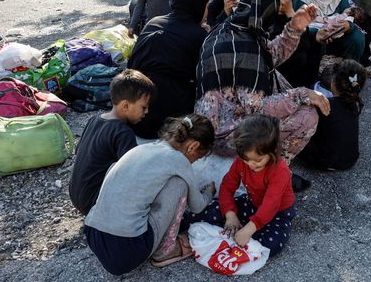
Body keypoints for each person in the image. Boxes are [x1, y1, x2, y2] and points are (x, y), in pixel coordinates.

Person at [195, 0, 331, 161]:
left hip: (219, 121)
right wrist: (303, 94)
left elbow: (270, 57)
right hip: (224, 137)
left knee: (278, 79)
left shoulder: (230, 29)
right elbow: (256, 108)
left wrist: (295, 27)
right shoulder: (245, 47)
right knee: (308, 115)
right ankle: (270, 165)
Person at [84, 115, 216, 275]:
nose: (194, 162)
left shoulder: (142, 149)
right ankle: (166, 251)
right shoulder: (178, 160)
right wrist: (209, 193)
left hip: (93, 235)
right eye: (198, 158)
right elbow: (197, 206)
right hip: (127, 249)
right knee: (178, 184)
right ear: (193, 146)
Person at [191, 115, 295, 257]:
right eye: (247, 160)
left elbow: (271, 204)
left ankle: (234, 237)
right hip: (252, 203)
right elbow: (227, 186)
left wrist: (248, 230)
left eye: (258, 160)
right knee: (213, 210)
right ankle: (179, 225)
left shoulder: (280, 171)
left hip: (278, 213)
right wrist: (230, 214)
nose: (251, 165)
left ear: (273, 151)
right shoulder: (242, 161)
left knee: (272, 244)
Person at [129, 0, 210, 140]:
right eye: (206, 7)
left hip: (137, 114)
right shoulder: (199, 36)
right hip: (171, 123)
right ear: (197, 7)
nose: (207, 13)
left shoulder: (153, 22)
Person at [69, 70, 155, 215]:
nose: (146, 112)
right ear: (125, 106)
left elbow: (79, 152)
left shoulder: (95, 119)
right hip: (93, 204)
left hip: (76, 197)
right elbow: (133, 174)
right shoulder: (123, 133)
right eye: (143, 107)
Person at [298, 59, 366, 171]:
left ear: (333, 82)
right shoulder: (355, 103)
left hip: (326, 162)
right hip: (350, 160)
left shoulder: (326, 104)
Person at [294, 0, 366, 62]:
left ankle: (348, 68)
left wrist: (348, 25)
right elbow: (297, 26)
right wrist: (316, 33)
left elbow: (349, 16)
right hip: (312, 40)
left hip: (336, 39)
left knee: (357, 37)